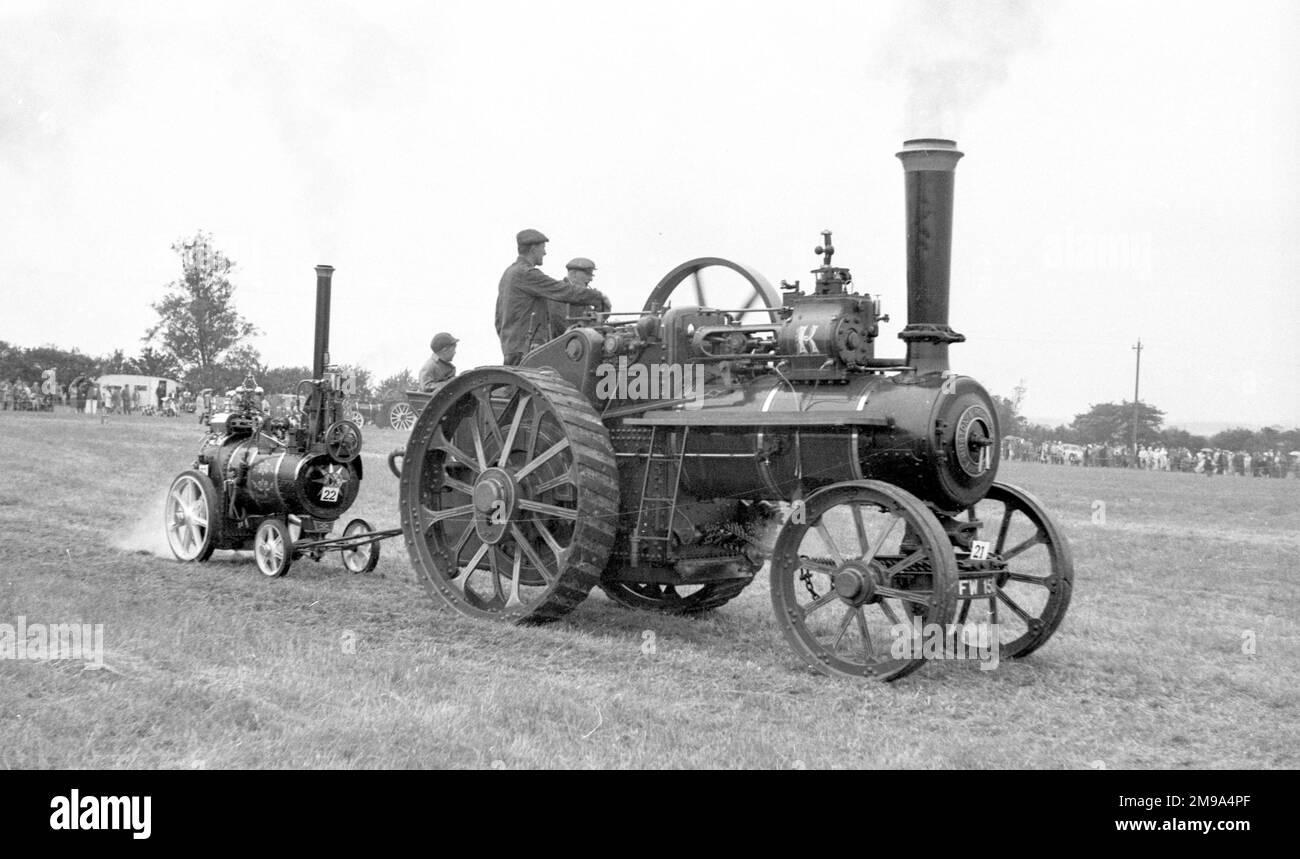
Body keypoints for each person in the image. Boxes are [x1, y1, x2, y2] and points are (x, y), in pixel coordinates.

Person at [496, 229, 610, 364]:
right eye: (543, 248)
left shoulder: (509, 274)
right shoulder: (526, 274)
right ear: (533, 248)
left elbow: (499, 319)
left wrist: (510, 342)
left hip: (514, 348)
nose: (545, 252)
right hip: (528, 348)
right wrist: (598, 296)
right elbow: (562, 290)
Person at [547, 257, 600, 339]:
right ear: (574, 274)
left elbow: (593, 321)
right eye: (588, 274)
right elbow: (563, 326)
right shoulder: (559, 293)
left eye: (591, 275)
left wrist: (601, 308)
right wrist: (583, 324)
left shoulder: (583, 295)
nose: (591, 279)